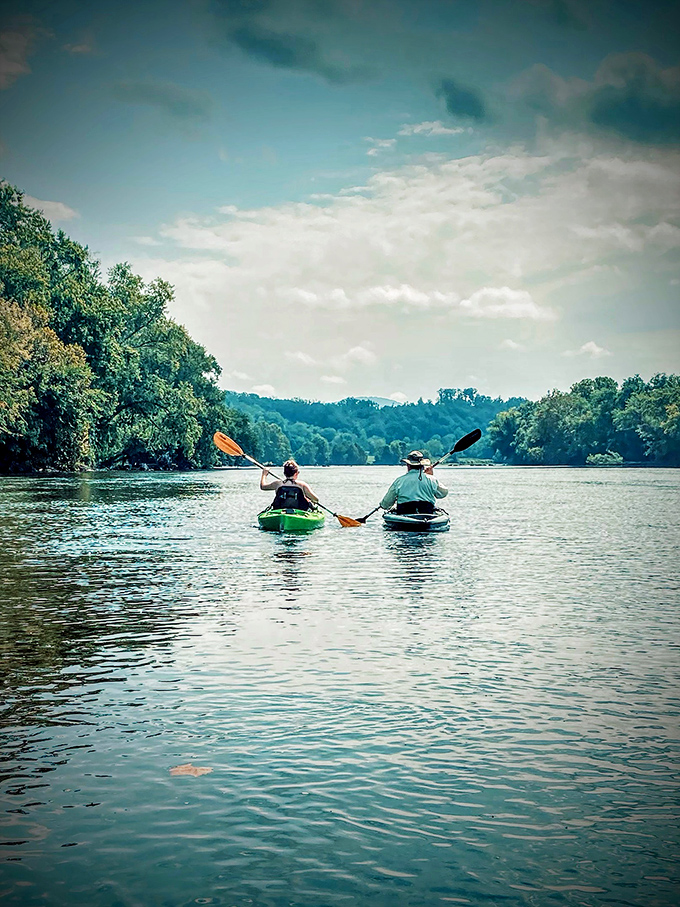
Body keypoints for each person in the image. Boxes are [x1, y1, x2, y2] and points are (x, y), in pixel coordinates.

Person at [380, 450, 448, 514]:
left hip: (405, 513)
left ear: (408, 465)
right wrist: (430, 476)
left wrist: (382, 505)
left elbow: (385, 504)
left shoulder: (399, 481)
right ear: (422, 465)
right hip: (427, 512)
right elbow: (443, 493)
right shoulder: (432, 480)